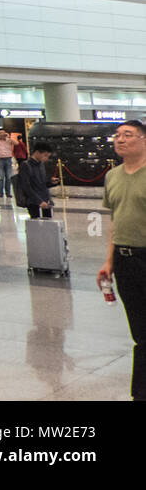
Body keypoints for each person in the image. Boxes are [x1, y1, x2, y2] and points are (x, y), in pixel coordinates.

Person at [96, 120, 146, 401]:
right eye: (117, 135)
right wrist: (109, 261)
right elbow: (115, 221)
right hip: (125, 262)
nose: (120, 140)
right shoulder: (113, 176)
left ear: (144, 140)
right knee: (140, 332)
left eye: (128, 135)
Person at [14, 141, 54, 219]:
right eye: (45, 155)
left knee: (48, 224)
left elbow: (42, 183)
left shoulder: (41, 164)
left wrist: (51, 182)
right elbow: (26, 186)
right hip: (32, 201)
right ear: (37, 152)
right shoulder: (25, 165)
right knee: (35, 224)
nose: (46, 159)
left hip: (45, 199)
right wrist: (38, 201)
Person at [0, 129, 15, 203]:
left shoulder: (9, 140)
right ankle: (0, 192)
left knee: (8, 177)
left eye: (3, 133)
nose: (1, 134)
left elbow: (16, 143)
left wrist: (9, 137)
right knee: (0, 177)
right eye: (0, 133)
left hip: (8, 159)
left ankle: (8, 193)